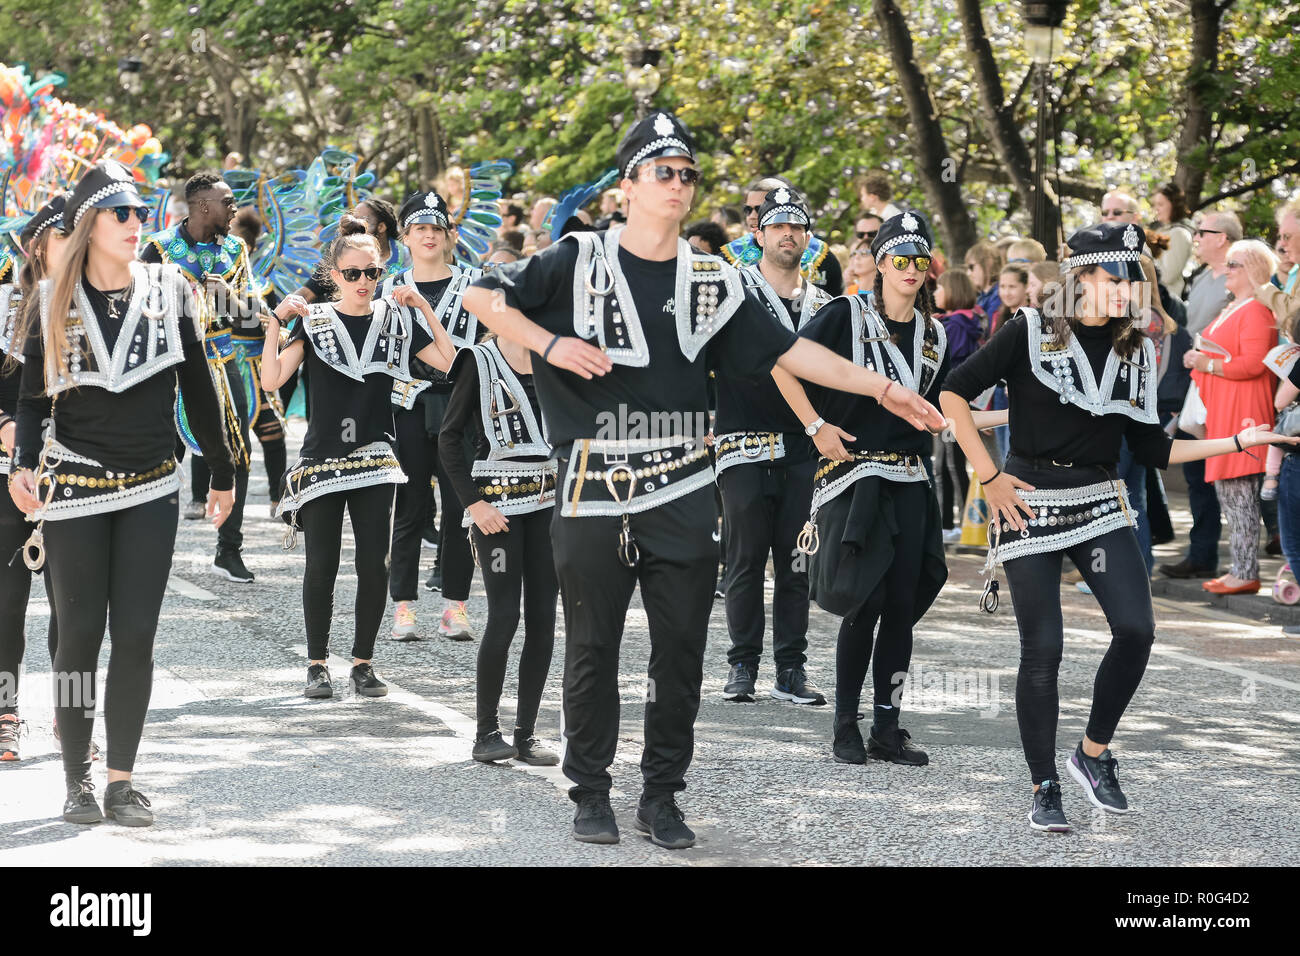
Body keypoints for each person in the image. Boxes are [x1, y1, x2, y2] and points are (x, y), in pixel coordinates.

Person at [463, 111, 945, 850]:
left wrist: (883, 390)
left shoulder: (713, 281)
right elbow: (481, 297)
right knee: (592, 645)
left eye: (688, 173)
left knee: (680, 649)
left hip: (685, 485)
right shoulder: (576, 257)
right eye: (665, 171)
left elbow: (788, 353)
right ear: (628, 185)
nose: (680, 183)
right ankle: (590, 789)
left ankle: (661, 795)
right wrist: (550, 342)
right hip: (592, 481)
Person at [939, 221, 1298, 833]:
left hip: (1102, 500)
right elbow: (954, 393)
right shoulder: (1028, 329)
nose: (1123, 291)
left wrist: (1239, 438)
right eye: (1110, 279)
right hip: (1029, 501)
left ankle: (1092, 756)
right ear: (1078, 279)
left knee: (1136, 629)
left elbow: (1153, 450)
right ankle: (1043, 784)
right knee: (1043, 649)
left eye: (1130, 279)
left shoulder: (1136, 351)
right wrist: (990, 477)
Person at [9, 160, 237, 825]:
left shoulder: (171, 290)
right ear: (90, 224)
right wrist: (24, 466)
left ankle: (120, 782)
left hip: (152, 488)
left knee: (135, 636)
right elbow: (31, 403)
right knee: (78, 636)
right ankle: (77, 778)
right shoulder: (51, 298)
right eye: (122, 214)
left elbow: (200, 388)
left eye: (141, 213)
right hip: (76, 488)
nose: (137, 224)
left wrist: (221, 472)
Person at [796, 211, 964, 767]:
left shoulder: (935, 336)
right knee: (862, 605)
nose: (910, 270)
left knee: (900, 609)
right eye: (899, 258)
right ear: (879, 263)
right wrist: (815, 426)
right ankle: (845, 723)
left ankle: (886, 727)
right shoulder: (842, 314)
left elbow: (940, 413)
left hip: (911, 480)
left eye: (920, 260)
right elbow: (781, 364)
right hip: (855, 477)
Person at [262, 222, 458, 699]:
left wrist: (425, 309)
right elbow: (271, 380)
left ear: (382, 270)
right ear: (333, 273)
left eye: (371, 271)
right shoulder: (314, 321)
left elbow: (448, 361)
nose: (363, 281)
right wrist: (275, 323)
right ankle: (316, 664)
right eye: (352, 273)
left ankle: (364, 663)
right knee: (322, 564)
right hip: (322, 460)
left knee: (375, 565)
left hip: (376, 459)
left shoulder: (395, 318)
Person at [713, 187, 833, 706]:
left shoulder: (827, 305)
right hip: (742, 442)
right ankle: (742, 665)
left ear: (807, 238)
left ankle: (791, 669)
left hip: (805, 448)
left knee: (797, 561)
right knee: (743, 560)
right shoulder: (732, 291)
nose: (788, 234)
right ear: (758, 233)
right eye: (778, 225)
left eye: (797, 227)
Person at [439, 331, 559, 765]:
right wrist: (474, 502)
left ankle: (527, 734)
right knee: (505, 614)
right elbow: (449, 437)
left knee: (544, 617)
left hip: (550, 505)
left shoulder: (554, 354)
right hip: (498, 511)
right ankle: (486, 732)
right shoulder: (479, 359)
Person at [140, 173, 256, 584]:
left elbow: (252, 317)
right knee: (161, 455)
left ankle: (229, 549)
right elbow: (138, 310)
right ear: (203, 205)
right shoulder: (158, 248)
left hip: (223, 364)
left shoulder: (236, 250)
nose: (234, 209)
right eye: (228, 201)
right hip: (171, 367)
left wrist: (227, 293)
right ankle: (149, 547)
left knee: (237, 451)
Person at [379, 190, 482, 642]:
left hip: (462, 404)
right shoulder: (386, 284)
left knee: (463, 507)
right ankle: (403, 606)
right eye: (419, 228)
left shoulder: (476, 283)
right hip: (408, 405)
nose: (428, 236)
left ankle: (455, 606)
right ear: (405, 237)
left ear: (449, 236)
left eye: (436, 229)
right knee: (410, 506)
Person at [0, 197, 69, 761]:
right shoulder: (6, 306)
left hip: (79, 481)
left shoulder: (102, 309)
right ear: (35, 245)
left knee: (77, 612)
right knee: (6, 607)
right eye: (62, 233)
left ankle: (72, 721)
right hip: (8, 477)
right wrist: (9, 435)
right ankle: (4, 714)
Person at [1183, 239, 1280, 594]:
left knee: (1239, 493)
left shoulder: (1255, 310)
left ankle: (1245, 570)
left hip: (1244, 412)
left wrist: (1205, 363)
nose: (1227, 270)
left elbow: (1255, 363)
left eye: (1234, 264)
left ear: (1254, 269)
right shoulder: (1236, 306)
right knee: (1231, 494)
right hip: (1228, 408)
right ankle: (1240, 567)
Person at [1158, 210, 1240, 580]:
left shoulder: (1243, 278)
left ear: (1222, 237)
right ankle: (1202, 553)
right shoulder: (1202, 278)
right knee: (1197, 471)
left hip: (1227, 386)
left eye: (1202, 232)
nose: (1196, 238)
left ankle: (1252, 555)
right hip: (1197, 385)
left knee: (1237, 471)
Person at [226, 205, 288, 515]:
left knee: (272, 431)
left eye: (235, 242)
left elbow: (277, 326)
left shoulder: (263, 286)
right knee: (215, 429)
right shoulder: (212, 278)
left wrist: (272, 327)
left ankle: (279, 496)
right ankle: (199, 497)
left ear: (247, 248)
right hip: (222, 365)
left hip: (254, 367)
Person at [722, 177, 844, 297]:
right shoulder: (729, 257)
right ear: (760, 237)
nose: (752, 216)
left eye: (759, 209)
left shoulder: (821, 256)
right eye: (748, 209)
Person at [933, 268, 984, 539]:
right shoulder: (962, 321)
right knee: (945, 464)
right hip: (955, 401)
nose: (935, 292)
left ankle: (958, 523)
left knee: (952, 463)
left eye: (940, 288)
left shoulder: (954, 326)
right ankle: (950, 522)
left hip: (953, 401)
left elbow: (948, 362)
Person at [1150, 182, 1194, 298]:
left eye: (1161, 204)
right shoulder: (1160, 230)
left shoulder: (1179, 234)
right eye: (1155, 205)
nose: (1156, 209)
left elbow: (1168, 276)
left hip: (1168, 301)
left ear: (1174, 205)